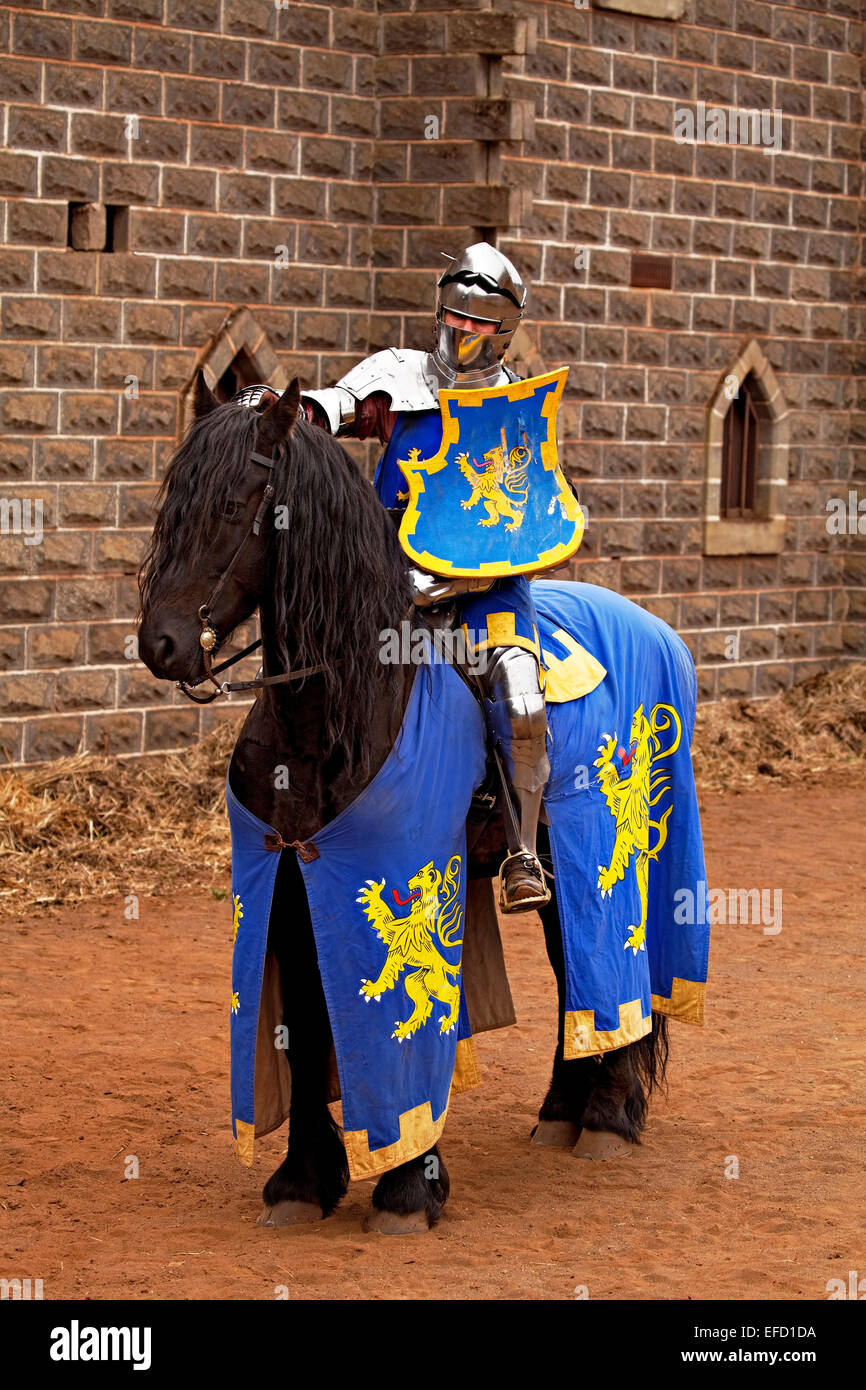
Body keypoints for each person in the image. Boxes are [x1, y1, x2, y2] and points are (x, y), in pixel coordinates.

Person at [244, 244, 552, 912]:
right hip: (387, 581)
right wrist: (280, 407)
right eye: (452, 316)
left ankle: (522, 853)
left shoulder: (518, 408)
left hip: (486, 590)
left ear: (503, 332)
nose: (460, 331)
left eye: (476, 324)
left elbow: (534, 524)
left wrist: (449, 585)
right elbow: (334, 408)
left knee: (520, 694)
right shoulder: (399, 374)